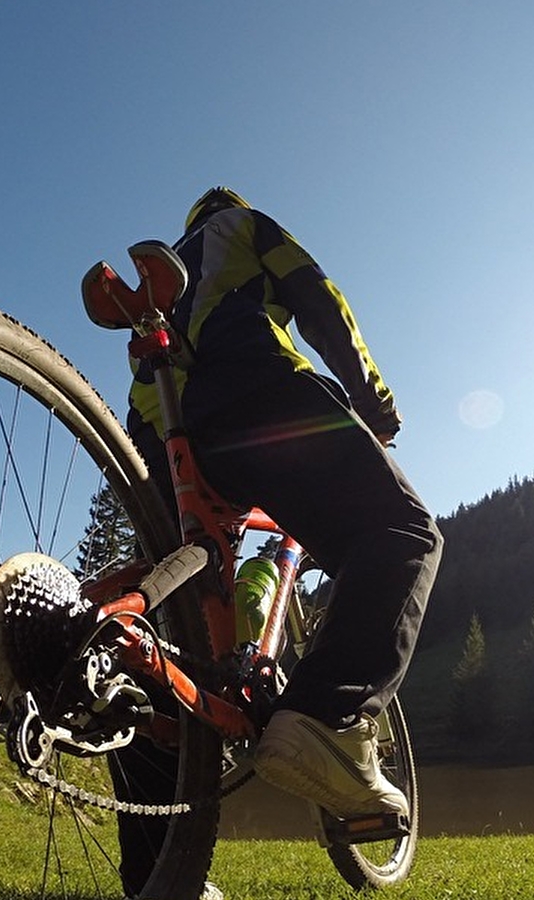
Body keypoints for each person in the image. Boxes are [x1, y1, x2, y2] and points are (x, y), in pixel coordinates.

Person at [125, 187, 443, 825]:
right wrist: (373, 402)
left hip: (159, 440)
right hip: (254, 393)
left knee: (159, 652)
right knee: (403, 531)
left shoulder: (167, 277)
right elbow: (320, 300)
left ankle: (159, 875)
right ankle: (327, 715)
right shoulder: (241, 226)